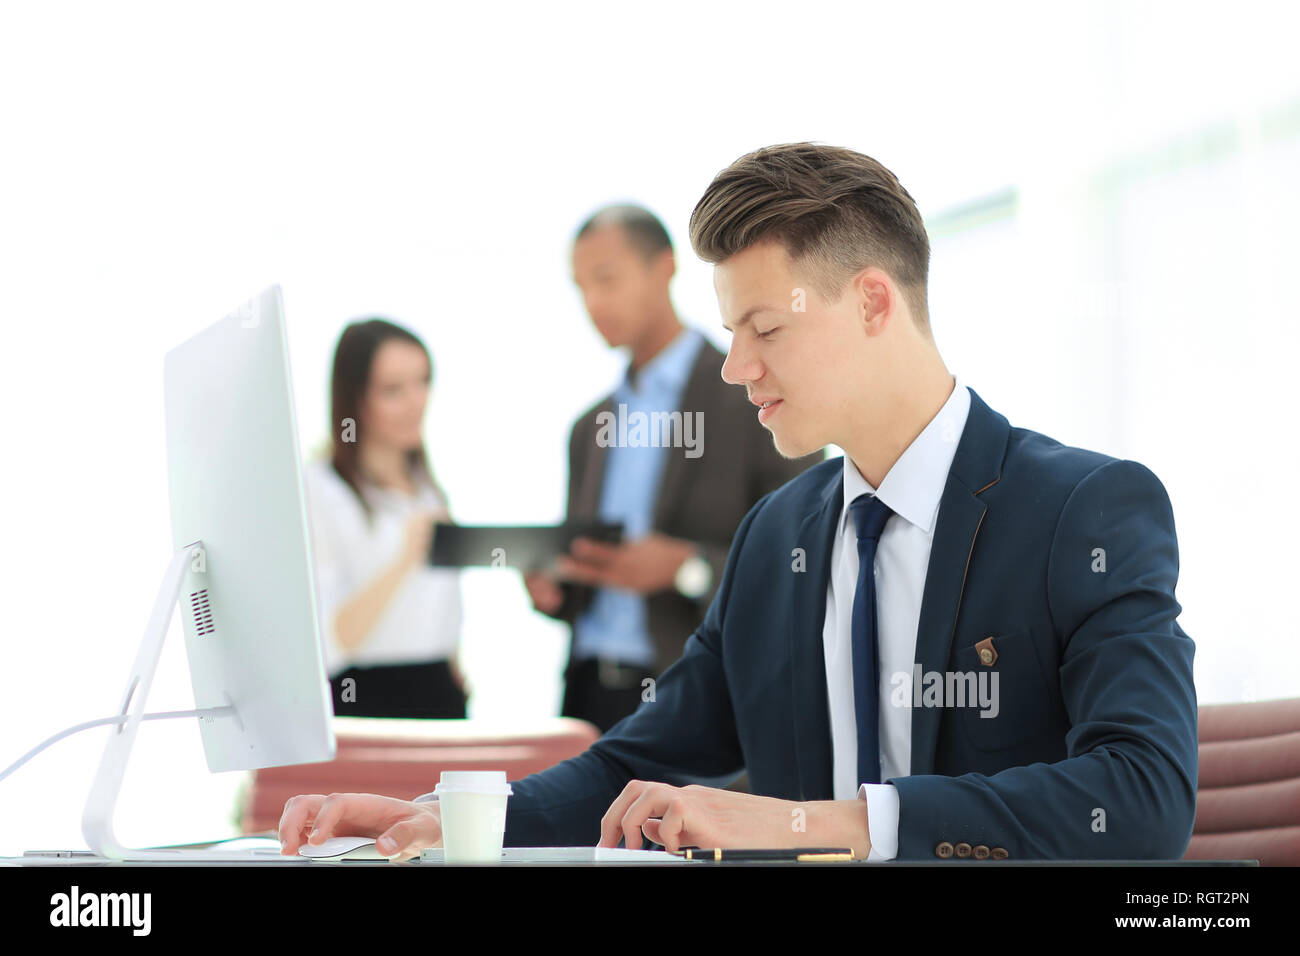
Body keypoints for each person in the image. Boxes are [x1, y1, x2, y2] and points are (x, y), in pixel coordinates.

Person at [280, 143, 1197, 861]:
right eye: (730, 331)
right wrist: (444, 818)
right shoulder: (779, 537)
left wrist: (815, 825)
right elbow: (636, 759)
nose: (735, 367)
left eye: (766, 329)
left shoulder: (1085, 510)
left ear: (874, 302)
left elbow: (1143, 797)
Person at [523, 205, 818, 733]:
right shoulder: (589, 427)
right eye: (580, 286)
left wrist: (687, 568)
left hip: (695, 697)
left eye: (607, 279)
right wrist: (555, 583)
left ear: (664, 268)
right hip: (587, 698)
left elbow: (804, 557)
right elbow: (582, 582)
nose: (593, 302)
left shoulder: (757, 397)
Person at [304, 318, 467, 719]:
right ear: (354, 398)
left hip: (441, 693)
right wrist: (404, 558)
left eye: (423, 381)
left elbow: (438, 606)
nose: (417, 402)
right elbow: (334, 637)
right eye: (393, 390)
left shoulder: (428, 488)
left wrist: (454, 669)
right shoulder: (321, 488)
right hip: (366, 698)